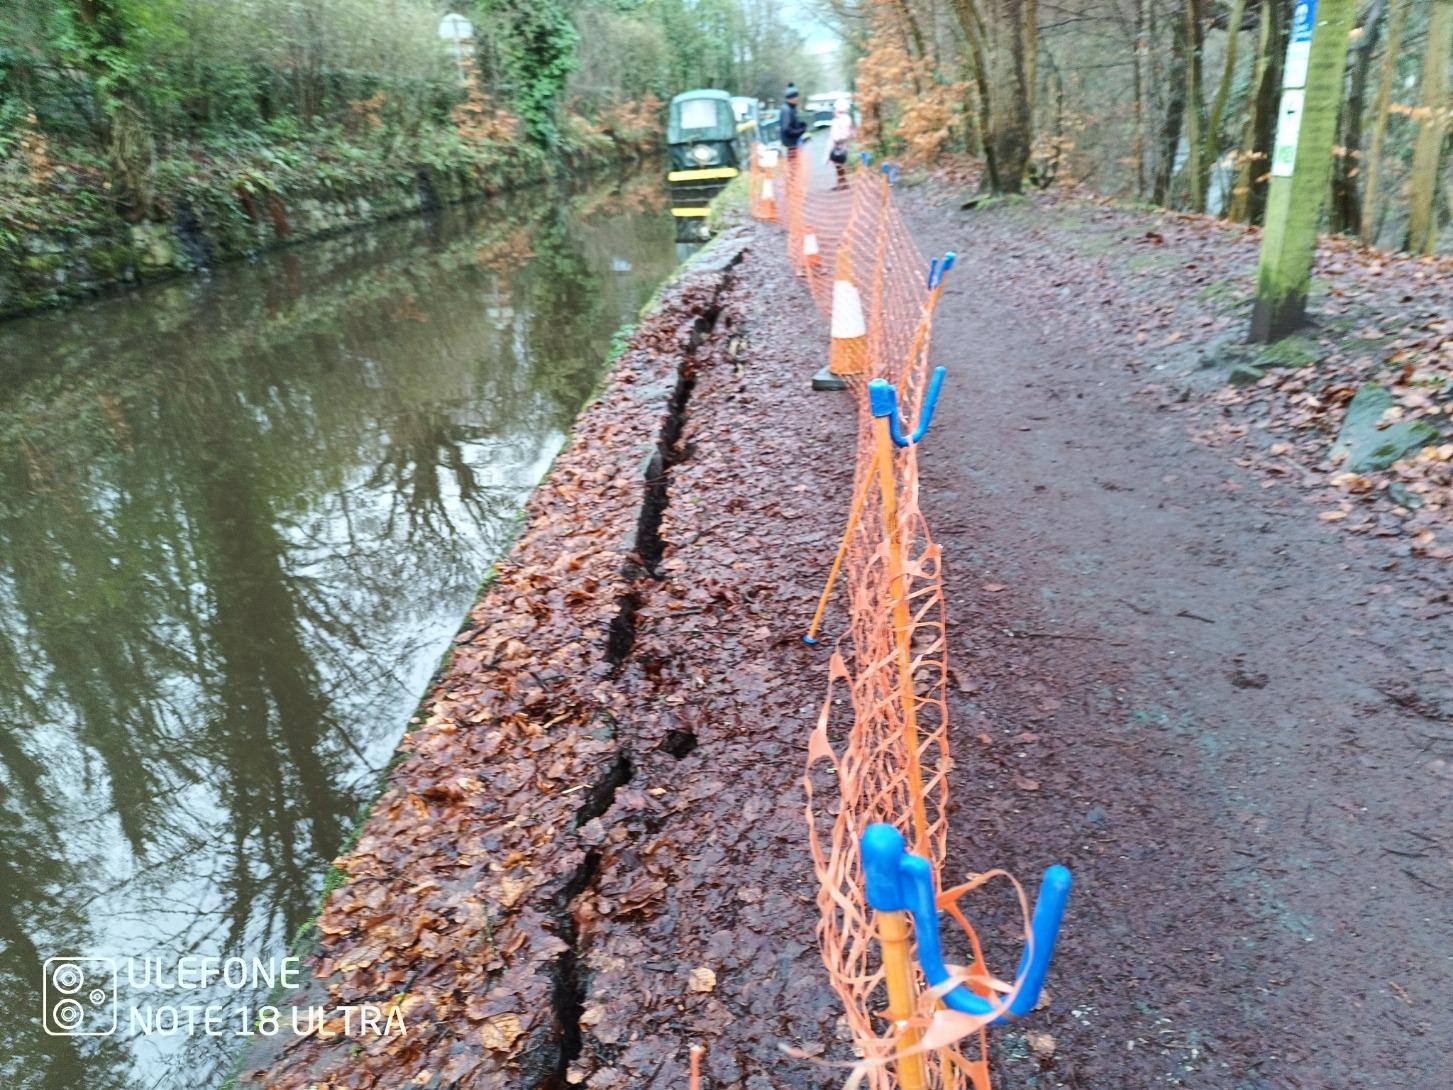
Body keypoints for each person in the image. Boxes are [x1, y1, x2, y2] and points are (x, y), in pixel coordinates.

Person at [828, 99, 854, 189]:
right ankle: (841, 182)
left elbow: (846, 133)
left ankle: (843, 183)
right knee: (838, 165)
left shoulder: (844, 119)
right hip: (837, 144)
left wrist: (838, 139)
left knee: (840, 165)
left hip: (840, 144)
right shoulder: (838, 118)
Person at [780, 84, 807, 161]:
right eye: (796, 97)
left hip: (793, 143)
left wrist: (800, 126)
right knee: (793, 166)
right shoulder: (786, 110)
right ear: (791, 98)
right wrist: (800, 131)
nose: (798, 99)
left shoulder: (791, 108)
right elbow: (787, 129)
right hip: (790, 145)